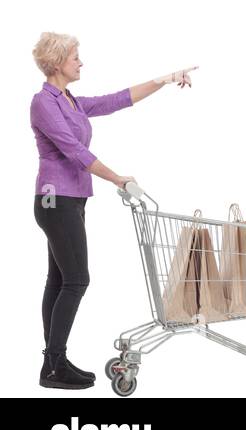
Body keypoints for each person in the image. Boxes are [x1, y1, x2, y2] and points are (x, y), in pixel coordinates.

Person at [31, 32, 197, 390]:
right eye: (75, 57)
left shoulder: (70, 100)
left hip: (71, 199)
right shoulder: (43, 103)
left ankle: (53, 361)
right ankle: (54, 365)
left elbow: (116, 100)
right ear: (57, 62)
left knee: (60, 280)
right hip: (54, 199)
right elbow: (74, 151)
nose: (81, 62)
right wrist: (118, 178)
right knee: (76, 279)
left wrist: (166, 79)